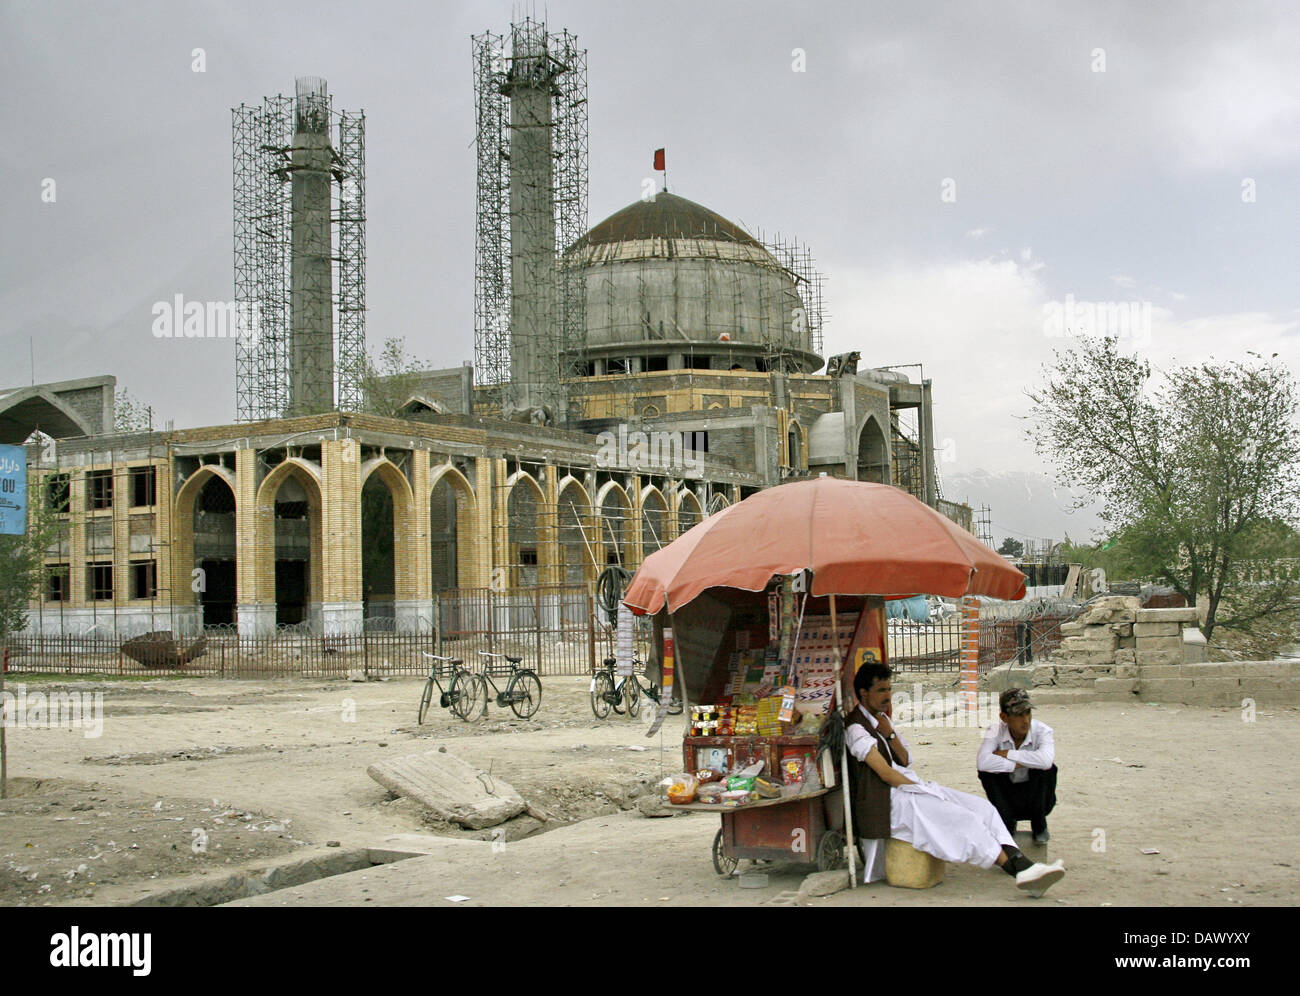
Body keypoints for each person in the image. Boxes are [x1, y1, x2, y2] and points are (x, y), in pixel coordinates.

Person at [845, 663, 1065, 895]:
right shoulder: (856, 729)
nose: (887, 696)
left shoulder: (881, 720)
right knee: (964, 819)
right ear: (863, 693)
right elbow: (887, 774)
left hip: (908, 787)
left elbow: (905, 759)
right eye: (881, 690)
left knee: (983, 809)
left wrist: (889, 733)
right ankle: (1021, 871)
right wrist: (923, 789)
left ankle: (1025, 867)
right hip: (891, 800)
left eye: (889, 689)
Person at [976, 687, 1058, 844]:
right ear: (1004, 717)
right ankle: (1007, 822)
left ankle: (1039, 825)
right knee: (987, 773)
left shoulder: (1043, 731)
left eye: (1028, 713)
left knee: (1047, 770)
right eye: (1018, 715)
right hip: (1008, 794)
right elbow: (982, 762)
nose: (1025, 720)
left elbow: (1046, 761)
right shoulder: (995, 731)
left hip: (1036, 797)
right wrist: (1021, 763)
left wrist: (1008, 754)